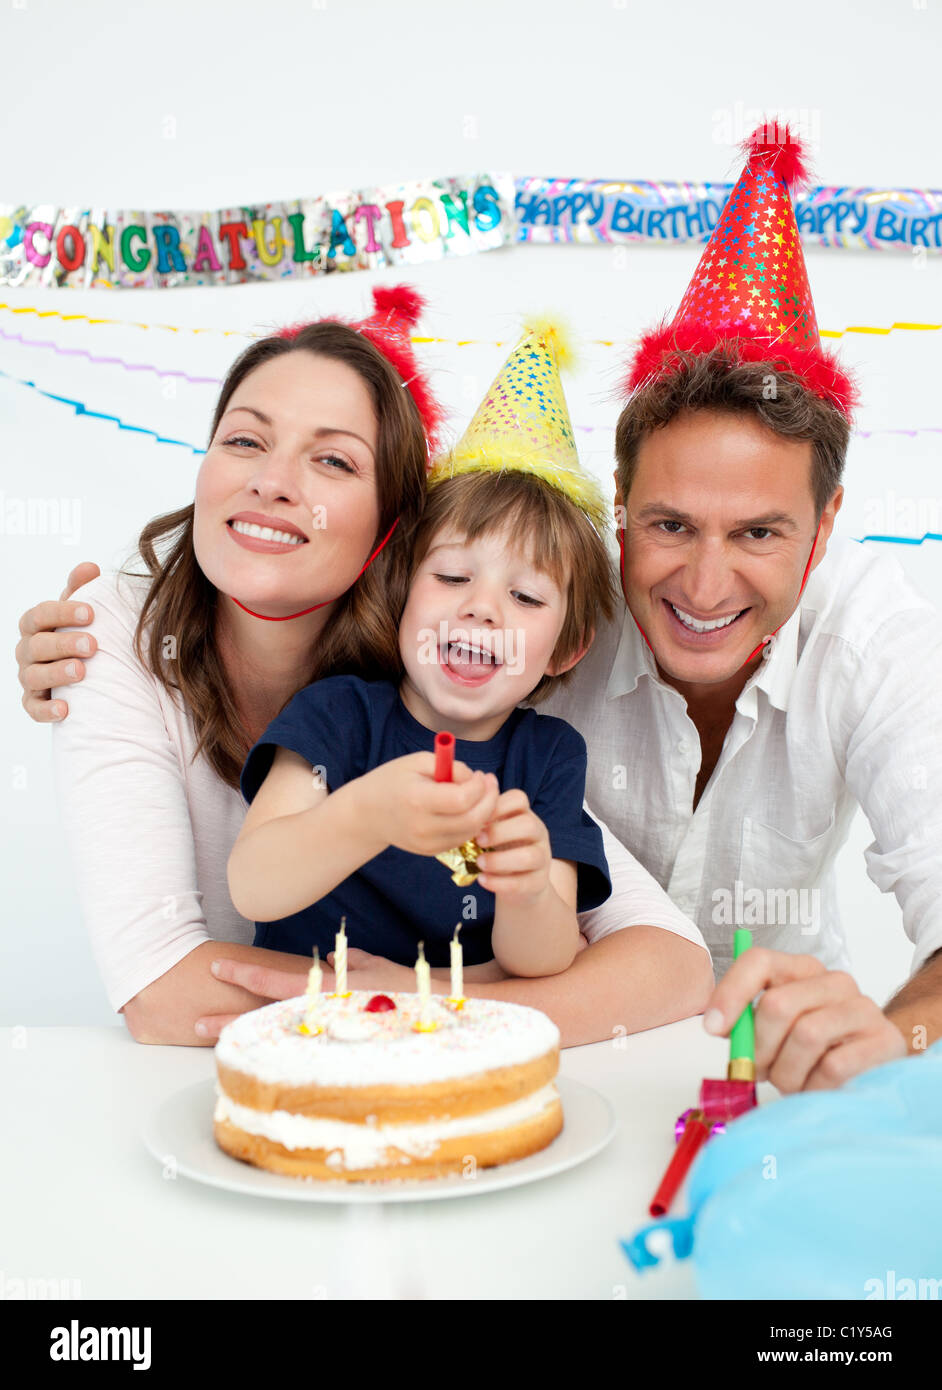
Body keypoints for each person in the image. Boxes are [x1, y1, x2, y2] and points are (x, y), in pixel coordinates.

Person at [15, 292, 713, 1047]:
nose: (274, 482)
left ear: (391, 535)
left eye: (333, 459)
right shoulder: (313, 701)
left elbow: (663, 966)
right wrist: (462, 994)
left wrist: (454, 979)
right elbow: (162, 990)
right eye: (246, 441)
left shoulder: (486, 715)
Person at [542, 125, 942, 1091]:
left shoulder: (877, 632)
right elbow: (366, 640)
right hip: (552, 1062)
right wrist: (134, 624)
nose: (707, 588)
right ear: (621, 499)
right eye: (671, 525)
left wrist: (904, 1045)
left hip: (776, 1091)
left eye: (759, 534)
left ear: (826, 523)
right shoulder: (540, 597)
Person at [229, 322, 620, 979]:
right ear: (405, 588)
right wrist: (368, 812)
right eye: (452, 577)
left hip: (453, 1044)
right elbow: (253, 884)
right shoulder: (340, 713)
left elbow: (545, 961)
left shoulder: (548, 756)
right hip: (306, 1035)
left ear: (566, 649)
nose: (482, 608)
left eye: (525, 598)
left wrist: (527, 893)